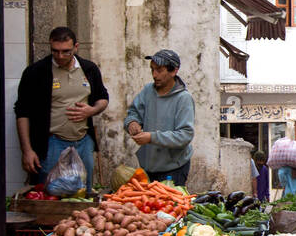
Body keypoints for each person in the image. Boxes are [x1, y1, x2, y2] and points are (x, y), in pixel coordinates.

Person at [14, 26, 109, 192]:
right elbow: (22, 112)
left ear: (76, 47)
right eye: (55, 51)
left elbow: (103, 98)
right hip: (51, 142)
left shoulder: (89, 69)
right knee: (50, 192)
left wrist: (91, 111)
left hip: (83, 141)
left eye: (66, 51)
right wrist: (27, 150)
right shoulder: (36, 72)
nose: (60, 56)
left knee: (83, 192)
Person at [124, 49, 195, 186]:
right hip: (148, 167)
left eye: (159, 70)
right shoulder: (147, 91)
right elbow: (133, 113)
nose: (154, 75)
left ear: (173, 71)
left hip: (173, 169)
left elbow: (185, 135)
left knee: (169, 206)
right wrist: (132, 123)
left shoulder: (183, 99)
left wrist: (151, 137)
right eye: (152, 70)